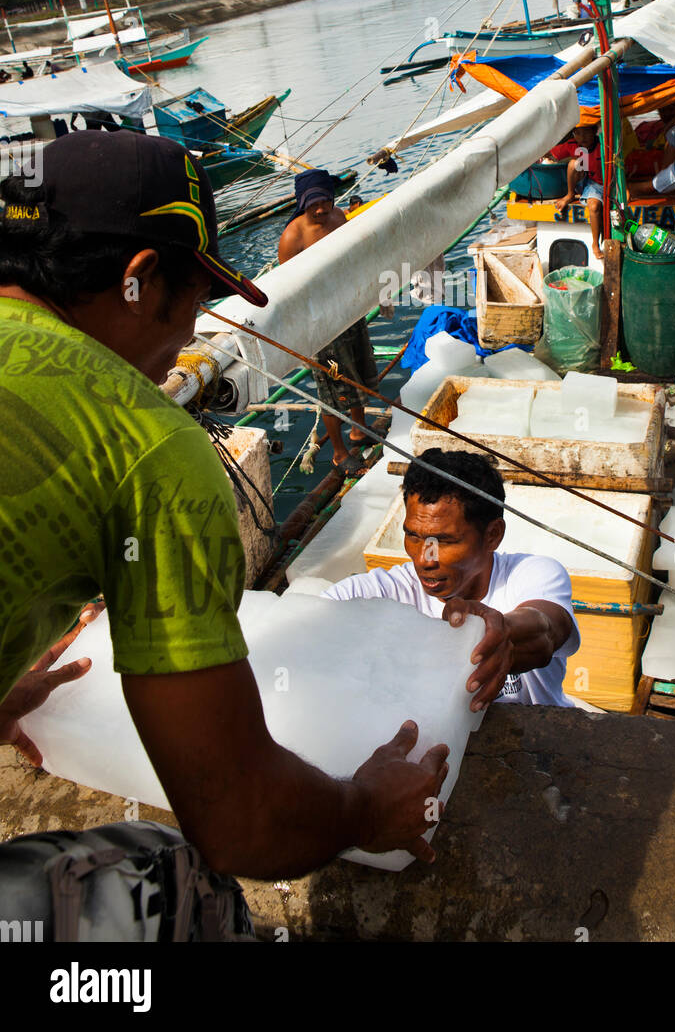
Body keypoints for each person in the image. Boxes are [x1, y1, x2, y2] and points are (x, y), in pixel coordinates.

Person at [0, 132, 448, 934]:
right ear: (139, 280)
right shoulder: (146, 446)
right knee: (170, 883)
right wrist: (361, 810)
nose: (195, 334)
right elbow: (238, 820)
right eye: (196, 300)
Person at [324, 449, 580, 708]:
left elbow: (546, 631)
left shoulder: (533, 573)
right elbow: (303, 625)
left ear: (492, 535)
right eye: (413, 536)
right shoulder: (380, 591)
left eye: (444, 541)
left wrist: (498, 629)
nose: (425, 559)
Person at [278, 169, 378, 468]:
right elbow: (288, 290)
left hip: (348, 308)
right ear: (302, 203)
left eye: (326, 201)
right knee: (332, 386)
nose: (321, 210)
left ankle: (359, 433)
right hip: (319, 322)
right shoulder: (292, 237)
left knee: (358, 370)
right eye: (313, 205)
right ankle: (339, 453)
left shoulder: (337, 217)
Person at [552, 123, 605, 260]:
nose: (583, 137)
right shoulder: (573, 144)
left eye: (587, 133)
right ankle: (570, 195)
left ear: (594, 131)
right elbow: (551, 153)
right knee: (573, 164)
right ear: (574, 134)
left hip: (602, 184)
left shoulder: (603, 145)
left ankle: (596, 243)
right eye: (578, 134)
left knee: (594, 206)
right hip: (587, 183)